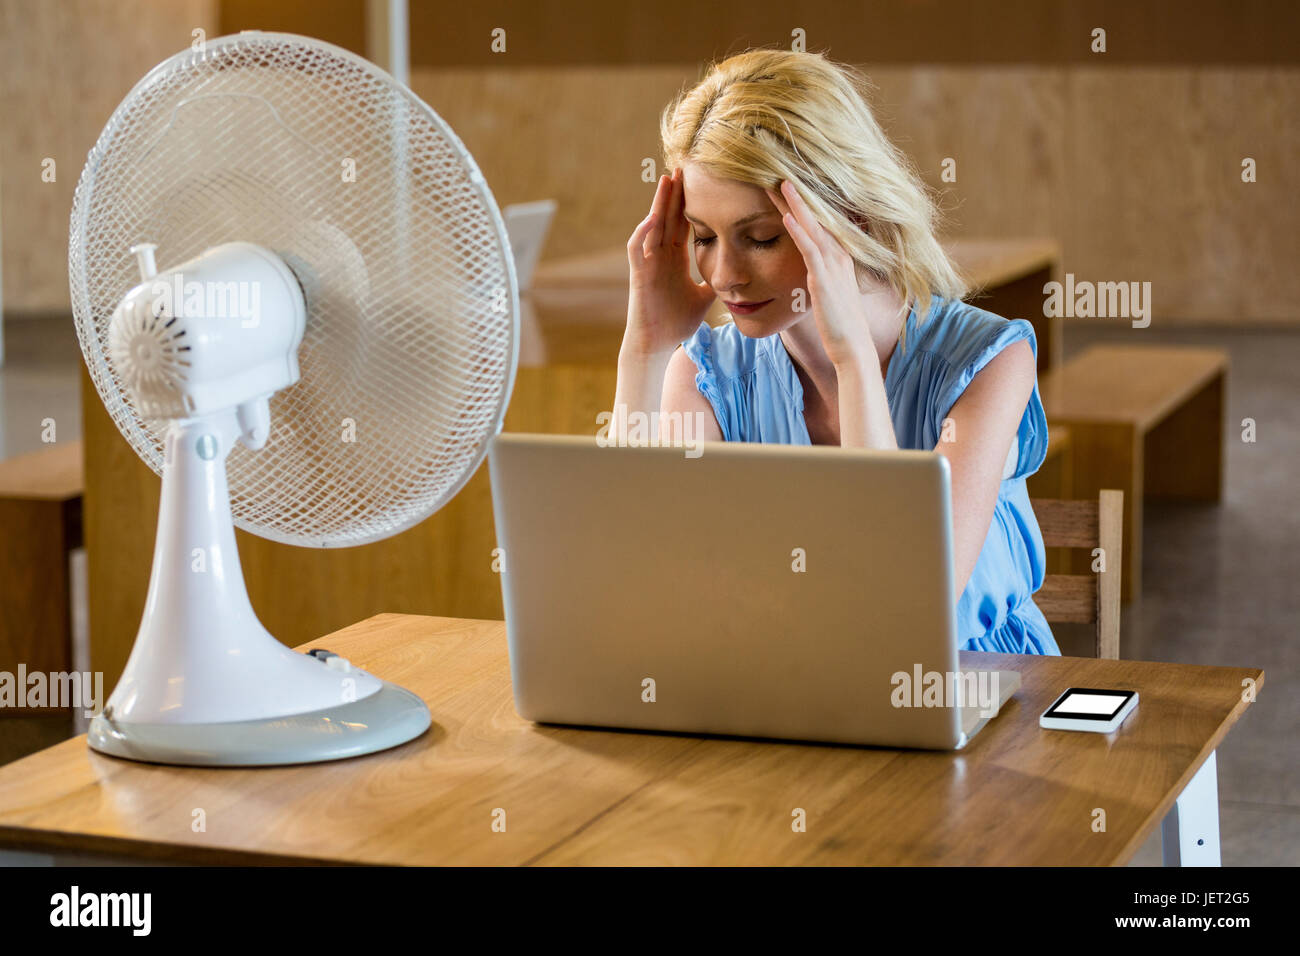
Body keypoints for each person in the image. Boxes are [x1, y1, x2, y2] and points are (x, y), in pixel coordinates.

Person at [611, 48, 1058, 655]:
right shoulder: (705, 374)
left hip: (971, 694)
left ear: (851, 220)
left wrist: (851, 360)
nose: (724, 276)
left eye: (761, 238)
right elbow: (637, 586)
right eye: (703, 236)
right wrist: (646, 347)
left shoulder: (989, 362)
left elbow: (903, 607)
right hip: (788, 689)